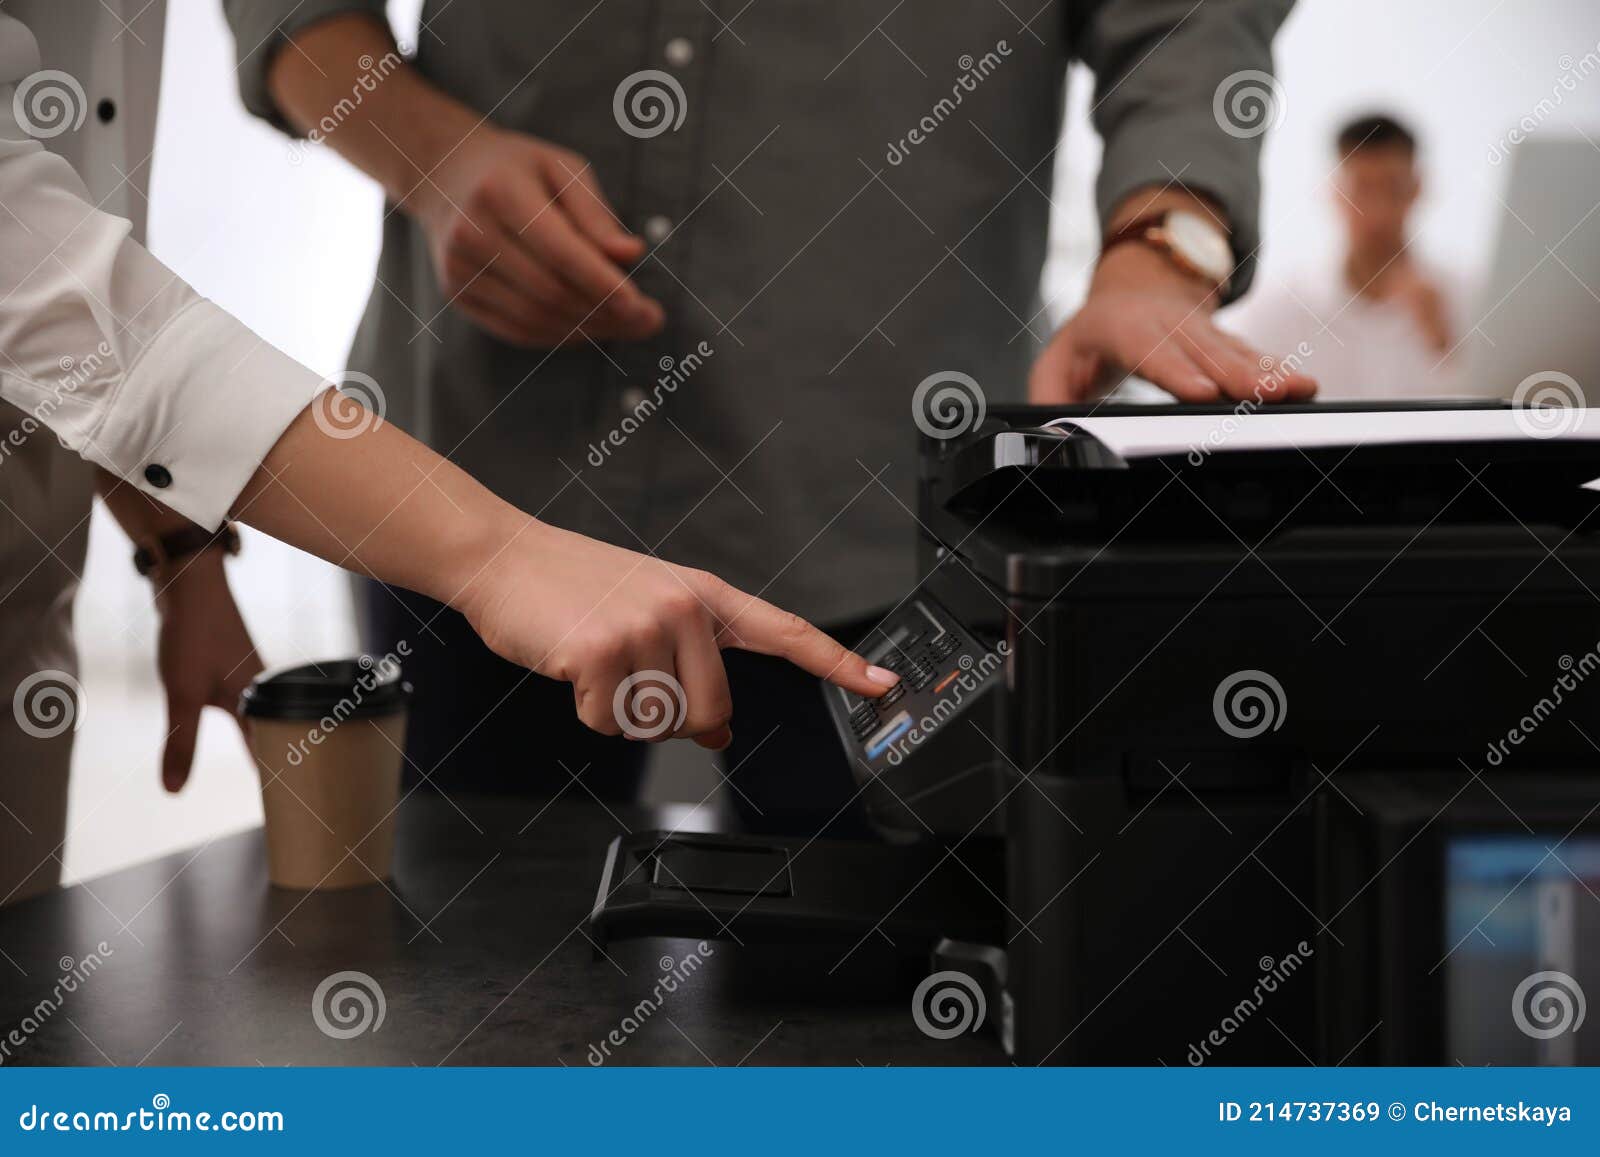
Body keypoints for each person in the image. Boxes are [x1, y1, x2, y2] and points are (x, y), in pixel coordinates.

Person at [224, 0, 1315, 827]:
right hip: (472, 473)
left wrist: (1161, 250)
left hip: (881, 522)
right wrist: (434, 157)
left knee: (866, 1023)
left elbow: (1192, 20)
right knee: (461, 1000)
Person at [0, 3, 894, 905]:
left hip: (863, 518)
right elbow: (30, 261)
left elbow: (74, 233)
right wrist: (492, 553)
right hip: (468, 470)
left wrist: (180, 552)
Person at [1224, 113, 1470, 398]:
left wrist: (1442, 344)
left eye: (1393, 188)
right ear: (1334, 191)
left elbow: (1502, 409)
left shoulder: (1468, 297)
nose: (1378, 212)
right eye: (1361, 189)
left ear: (1417, 189)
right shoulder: (1278, 308)